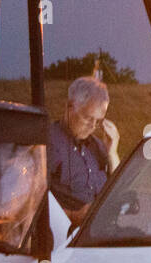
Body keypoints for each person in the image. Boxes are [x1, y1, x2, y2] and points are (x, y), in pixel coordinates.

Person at [47, 76, 118, 225]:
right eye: (87, 117)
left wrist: (112, 153)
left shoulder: (98, 146)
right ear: (69, 106)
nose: (92, 126)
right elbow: (32, 201)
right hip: (68, 236)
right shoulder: (48, 143)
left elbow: (120, 188)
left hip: (103, 230)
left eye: (98, 121)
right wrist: (73, 215)